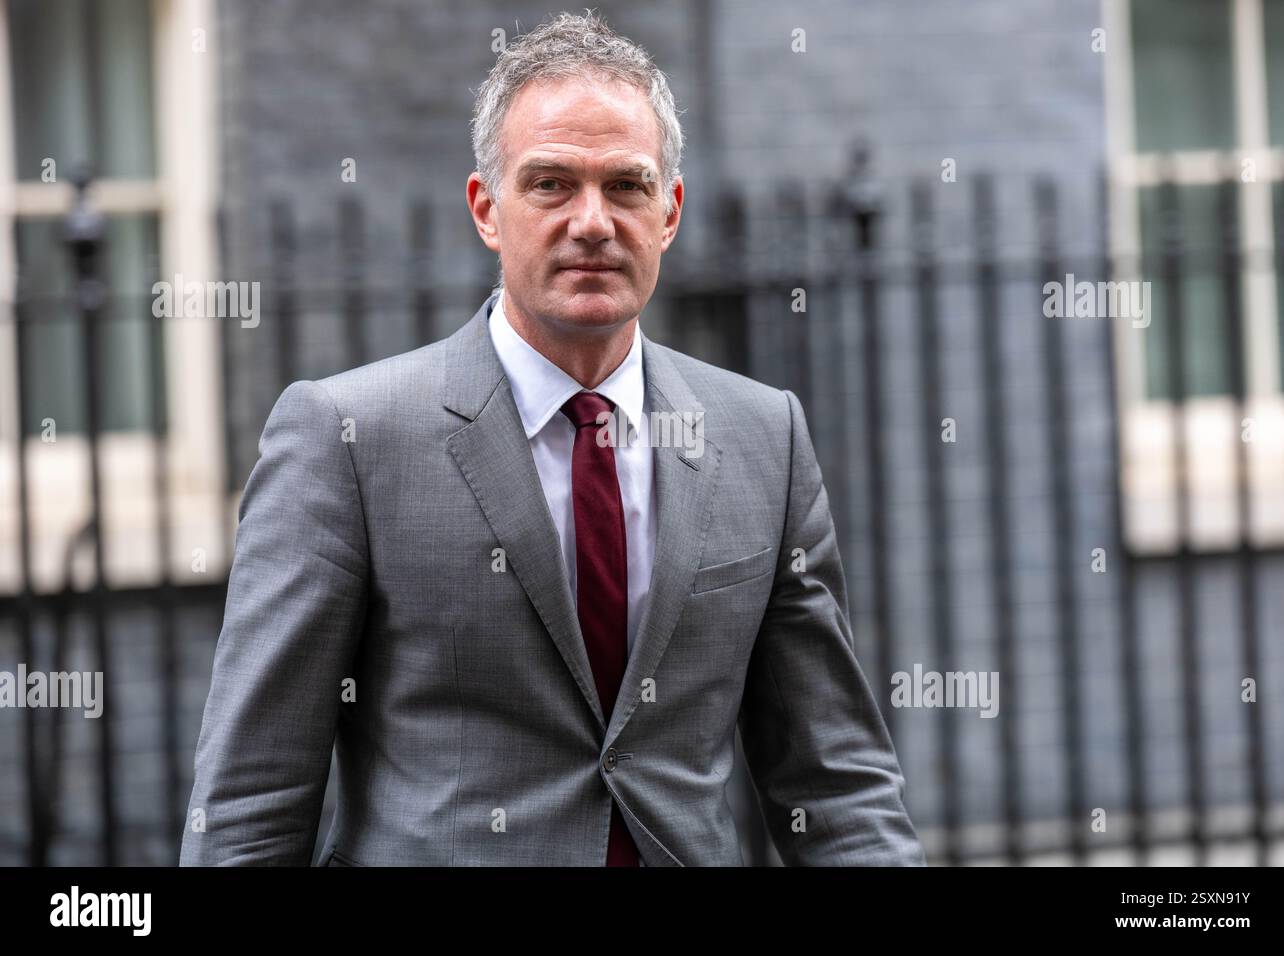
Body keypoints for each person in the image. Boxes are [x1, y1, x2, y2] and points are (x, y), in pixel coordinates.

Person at [180, 9, 924, 867]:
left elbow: (836, 781)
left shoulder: (765, 437)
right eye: (550, 185)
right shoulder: (346, 439)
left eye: (627, 186)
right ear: (487, 209)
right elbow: (252, 803)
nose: (593, 221)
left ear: (671, 211)